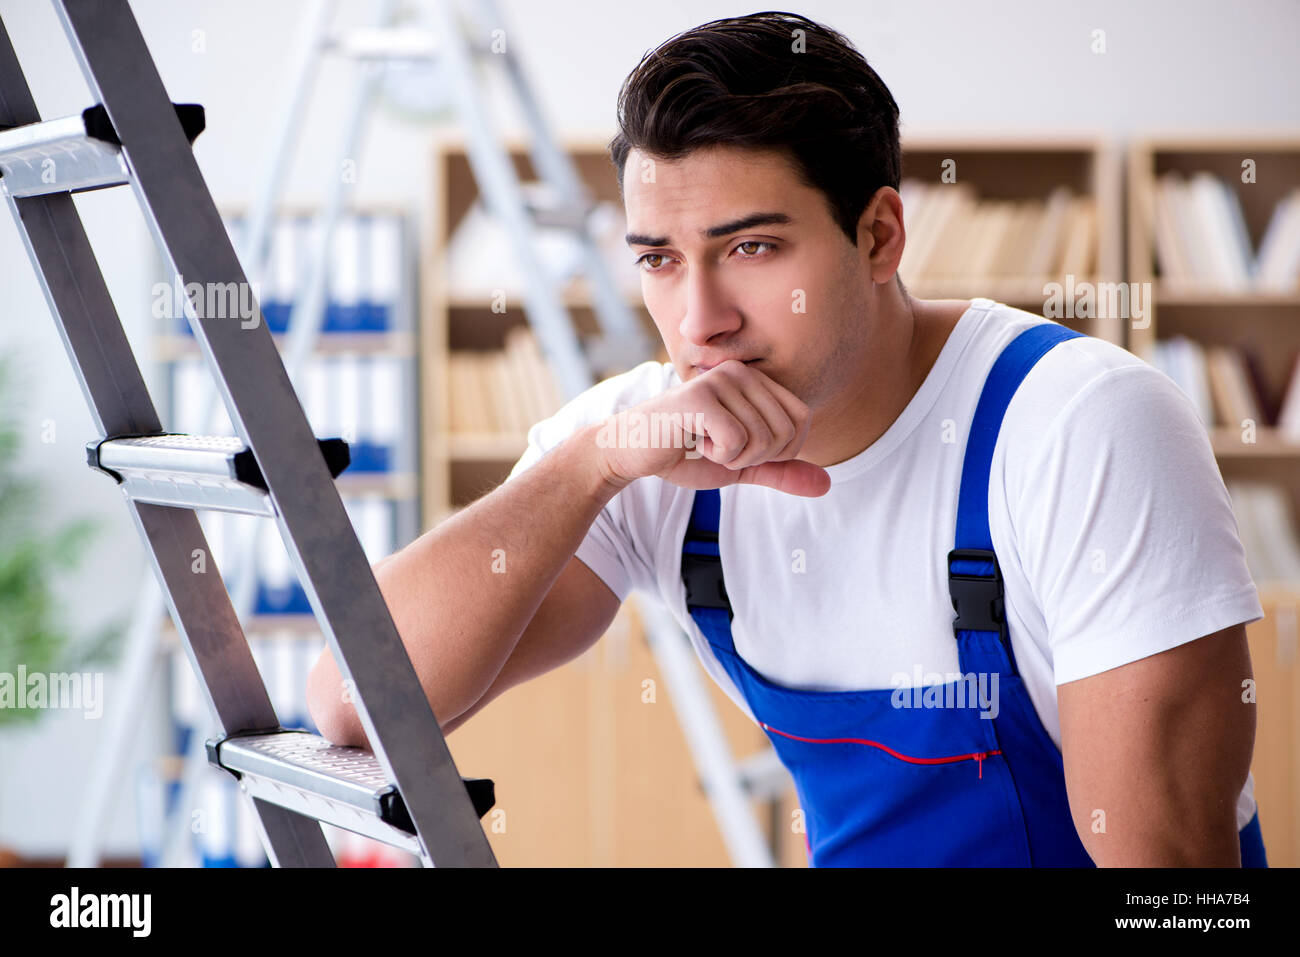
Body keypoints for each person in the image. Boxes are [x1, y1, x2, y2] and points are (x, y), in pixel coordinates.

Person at [308, 11, 1267, 867]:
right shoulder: (643, 441)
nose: (700, 321)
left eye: (751, 249)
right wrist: (590, 466)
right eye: (659, 261)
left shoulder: (1079, 427)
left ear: (881, 235)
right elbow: (352, 702)